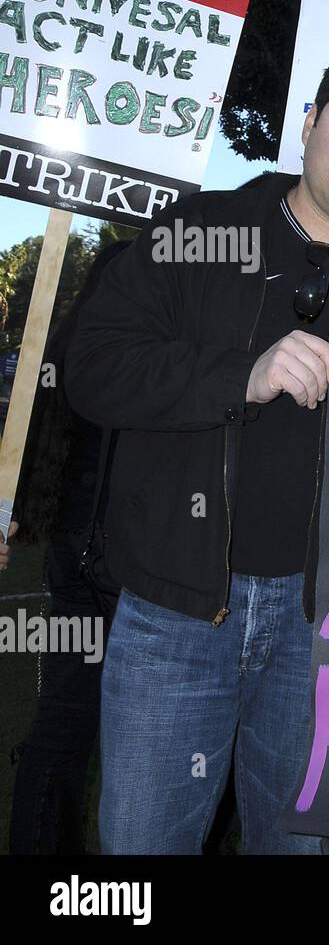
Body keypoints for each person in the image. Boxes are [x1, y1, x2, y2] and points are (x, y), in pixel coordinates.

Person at [64, 48, 329, 855]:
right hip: (176, 613)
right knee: (141, 850)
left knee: (295, 846)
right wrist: (241, 374)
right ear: (310, 124)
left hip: (328, 630)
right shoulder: (200, 230)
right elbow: (92, 368)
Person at [8, 239, 126, 854]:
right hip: (119, 561)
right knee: (152, 738)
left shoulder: (69, 347)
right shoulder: (126, 351)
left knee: (61, 724)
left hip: (71, 554)